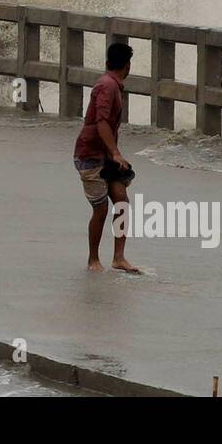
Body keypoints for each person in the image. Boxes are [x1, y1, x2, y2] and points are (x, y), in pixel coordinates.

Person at [73, 42, 139, 273]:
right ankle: (93, 260)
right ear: (128, 65)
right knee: (100, 209)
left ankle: (119, 258)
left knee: (121, 201)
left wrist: (113, 155)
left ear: (108, 62)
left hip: (105, 156)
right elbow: (101, 122)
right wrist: (116, 153)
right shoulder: (107, 86)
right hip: (90, 155)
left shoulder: (113, 85)